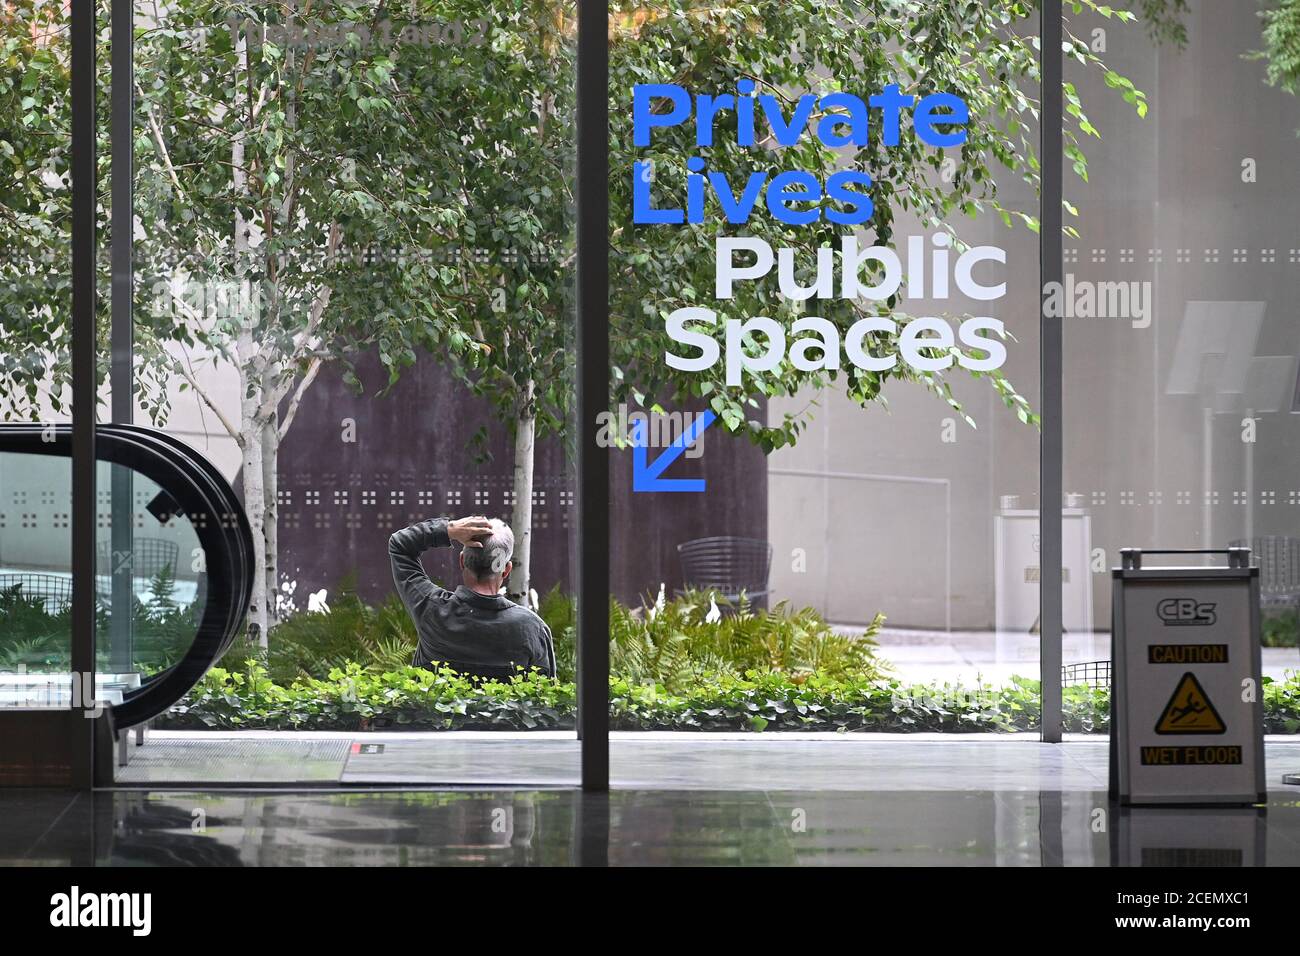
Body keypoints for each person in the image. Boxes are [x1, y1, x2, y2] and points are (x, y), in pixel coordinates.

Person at [387, 515, 556, 679]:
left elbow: (400, 545)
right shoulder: (533, 629)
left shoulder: (432, 609)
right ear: (506, 569)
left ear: (462, 561)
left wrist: (449, 530)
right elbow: (544, 697)